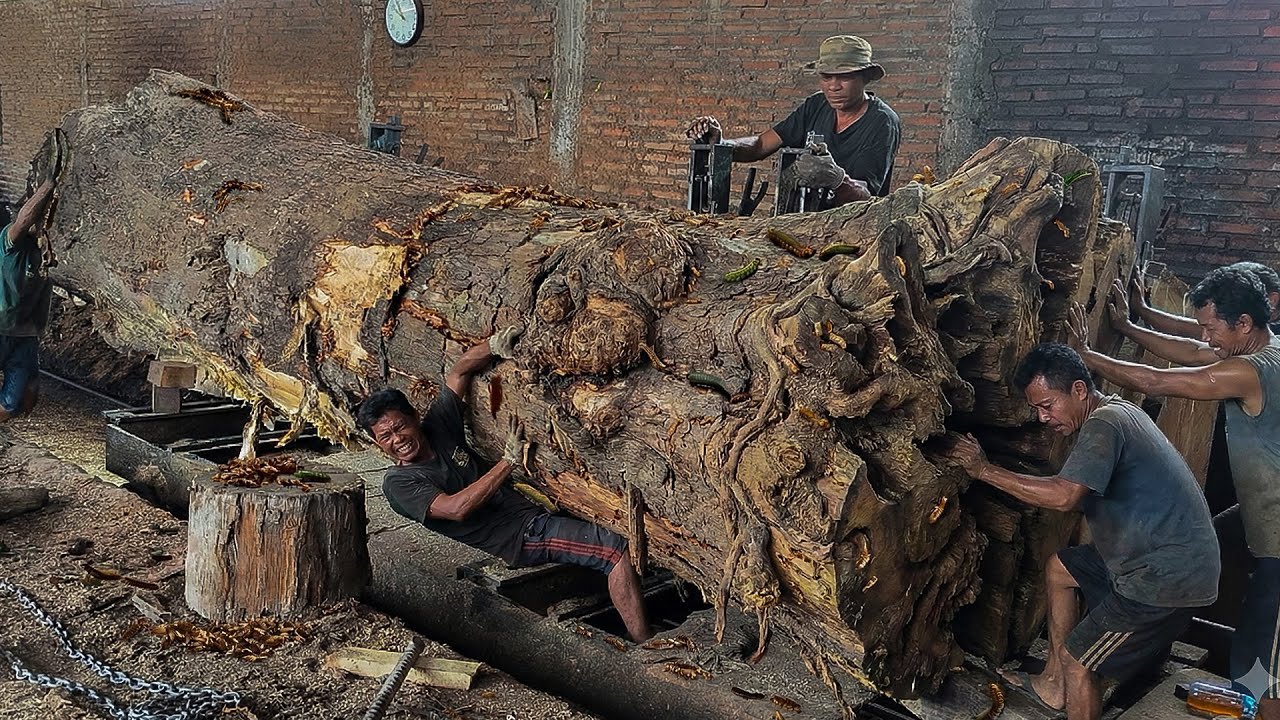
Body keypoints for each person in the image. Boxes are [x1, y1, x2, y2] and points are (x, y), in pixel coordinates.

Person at [946, 343, 1220, 720]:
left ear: (1078, 390)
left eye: (1048, 405)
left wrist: (983, 470)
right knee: (1061, 567)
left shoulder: (1104, 423)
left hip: (1166, 580)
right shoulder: (1116, 410)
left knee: (1080, 662)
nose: (1042, 418)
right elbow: (1076, 495)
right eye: (1036, 409)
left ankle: (1069, 677)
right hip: (1161, 559)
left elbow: (1065, 496)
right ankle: (1054, 685)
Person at [1068, 265, 1280, 716]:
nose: (1207, 336)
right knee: (1201, 561)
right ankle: (1157, 646)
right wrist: (1133, 320)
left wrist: (1087, 354)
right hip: (1258, 520)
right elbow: (1189, 346)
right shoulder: (1266, 344)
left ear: (1243, 324)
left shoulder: (1249, 370)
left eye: (1212, 326)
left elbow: (1159, 380)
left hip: (1279, 543)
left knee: (1265, 662)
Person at [356, 326, 652, 642]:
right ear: (377, 442)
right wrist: (508, 462)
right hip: (522, 535)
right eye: (385, 436)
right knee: (613, 549)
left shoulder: (437, 428)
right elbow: (457, 508)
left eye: (399, 426)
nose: (397, 439)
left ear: (414, 416)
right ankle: (644, 642)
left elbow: (458, 372)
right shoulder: (400, 484)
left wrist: (495, 345)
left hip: (531, 508)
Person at [685, 34, 901, 208]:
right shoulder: (817, 105)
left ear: (864, 77)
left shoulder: (882, 122)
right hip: (804, 220)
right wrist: (723, 144)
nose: (833, 86)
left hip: (853, 227)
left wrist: (836, 179)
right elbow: (761, 145)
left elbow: (867, 199)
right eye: (826, 76)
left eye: (844, 76)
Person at [1107, 262, 1280, 367]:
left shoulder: (1261, 348)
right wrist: (1142, 312)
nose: (1205, 336)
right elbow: (1192, 344)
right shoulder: (1250, 334)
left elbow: (1192, 356)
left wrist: (1129, 326)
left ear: (1272, 299)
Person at [0, 178, 57, 423]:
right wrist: (48, 185)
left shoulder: (39, 253)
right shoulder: (9, 243)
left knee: (14, 401)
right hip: (1, 326)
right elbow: (24, 219)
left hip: (25, 334)